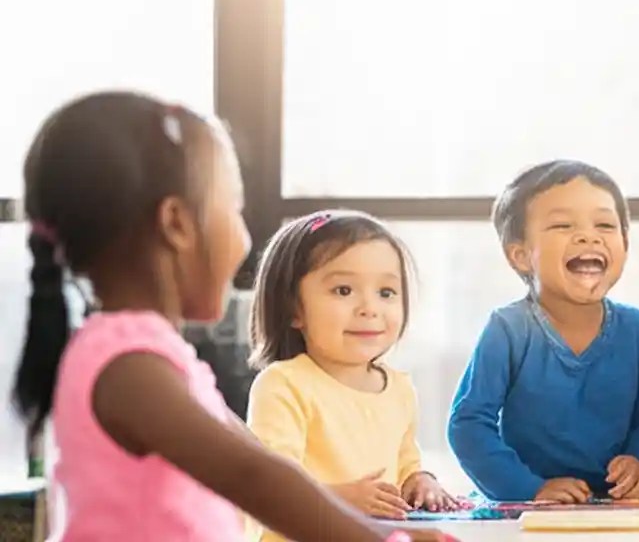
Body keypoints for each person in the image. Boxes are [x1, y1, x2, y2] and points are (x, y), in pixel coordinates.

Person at [11, 91, 450, 542]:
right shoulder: (130, 368)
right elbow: (255, 479)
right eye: (234, 209)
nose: (244, 241)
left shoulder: (154, 359)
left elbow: (258, 457)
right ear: (177, 224)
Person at [447, 160, 639, 502]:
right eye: (563, 225)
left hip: (612, 508)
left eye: (605, 224)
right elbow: (469, 424)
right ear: (521, 256)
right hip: (523, 510)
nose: (588, 235)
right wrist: (528, 488)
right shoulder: (507, 329)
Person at [245, 210, 462, 541]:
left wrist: (420, 481)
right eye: (344, 290)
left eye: (386, 293)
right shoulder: (283, 385)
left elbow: (406, 463)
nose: (369, 308)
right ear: (294, 309)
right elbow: (271, 489)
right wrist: (341, 499)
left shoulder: (399, 388)